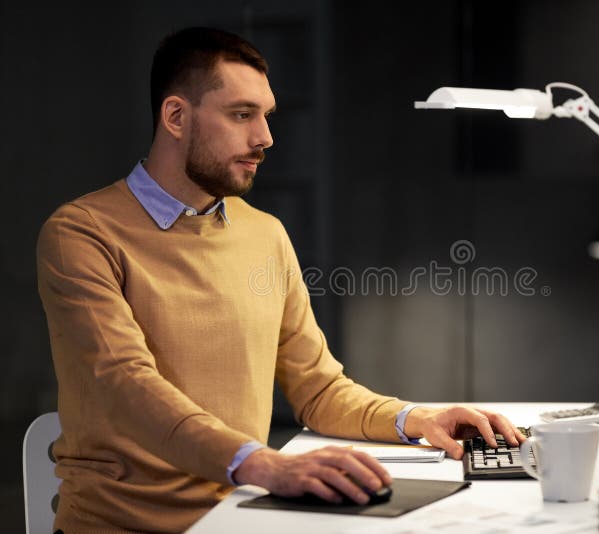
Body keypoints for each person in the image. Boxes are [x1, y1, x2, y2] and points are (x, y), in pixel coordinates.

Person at [36, 27, 526, 533]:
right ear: (176, 116)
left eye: (266, 116)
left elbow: (319, 389)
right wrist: (264, 465)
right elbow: (126, 384)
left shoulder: (264, 233)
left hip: (241, 517)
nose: (264, 138)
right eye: (242, 114)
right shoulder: (81, 233)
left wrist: (416, 419)